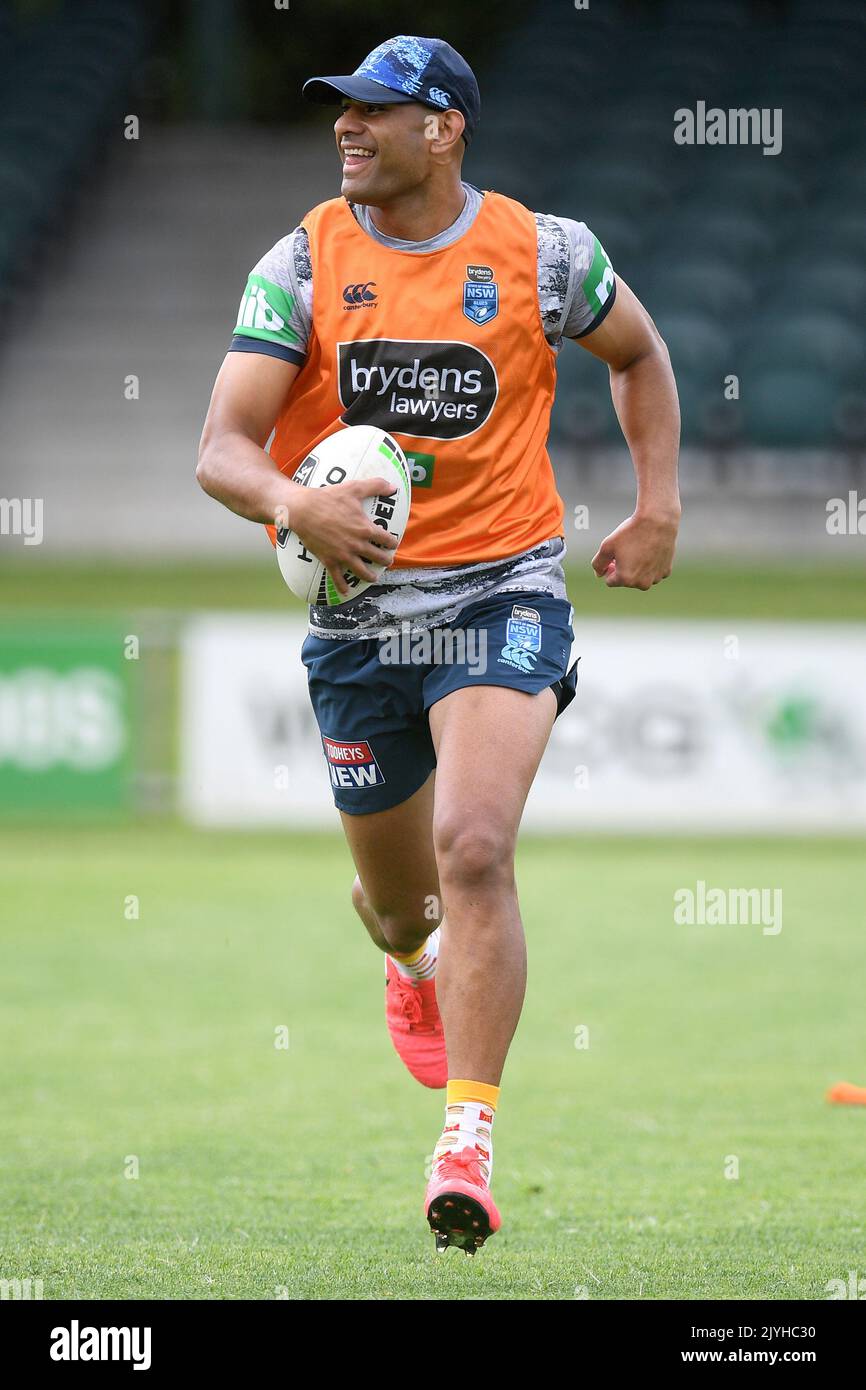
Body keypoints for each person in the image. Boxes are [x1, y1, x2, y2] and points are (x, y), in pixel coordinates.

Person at [197, 34, 680, 1254]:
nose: (347, 129)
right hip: (357, 619)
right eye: (340, 112)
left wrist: (656, 501)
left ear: (445, 128)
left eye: (375, 111)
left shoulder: (542, 253)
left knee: (474, 848)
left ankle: (464, 1139)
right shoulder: (304, 258)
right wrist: (291, 504)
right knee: (396, 900)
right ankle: (409, 960)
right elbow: (221, 448)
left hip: (500, 591)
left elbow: (637, 352)